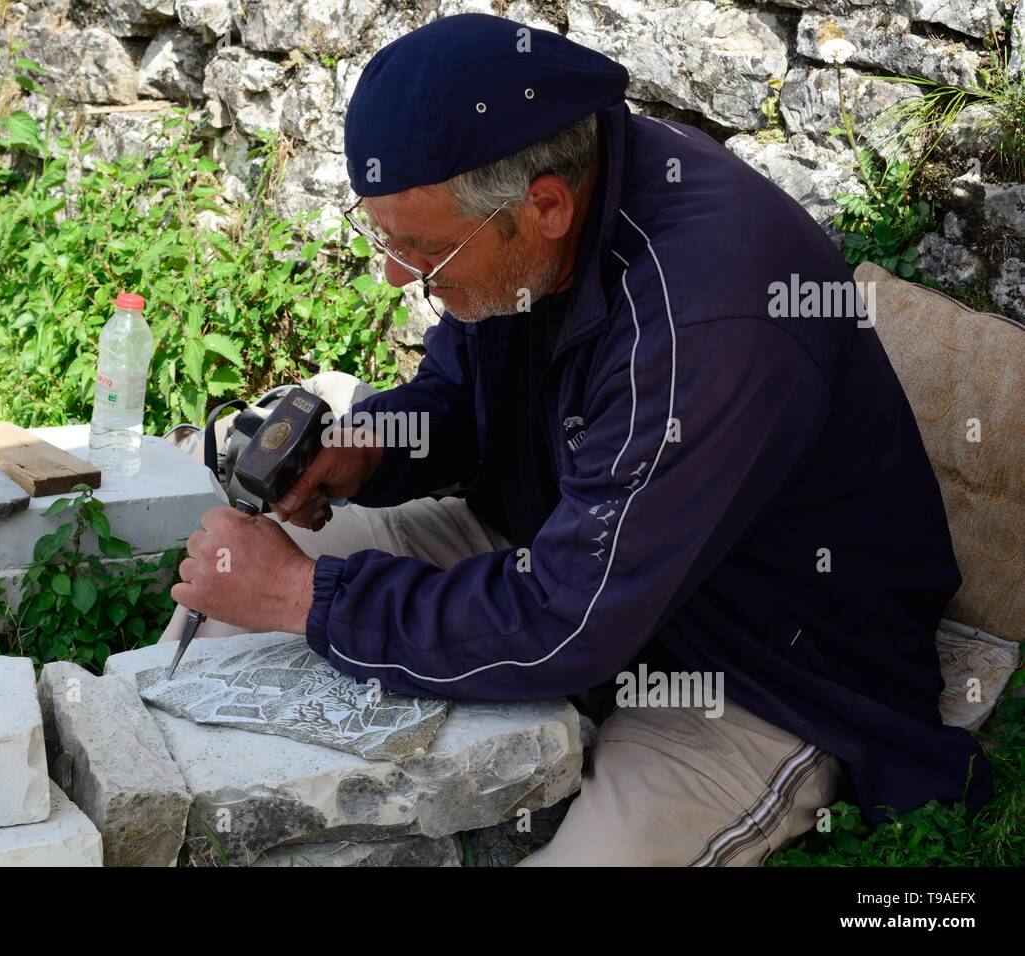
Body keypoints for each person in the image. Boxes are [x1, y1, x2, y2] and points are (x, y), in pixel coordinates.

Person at [163, 13, 993, 865]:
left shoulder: (705, 317)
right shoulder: (540, 184)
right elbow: (465, 388)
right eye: (386, 240)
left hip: (755, 660)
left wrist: (307, 600)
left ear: (546, 208)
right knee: (240, 590)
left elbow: (569, 621)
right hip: (561, 541)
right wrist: (372, 450)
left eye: (425, 255)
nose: (396, 277)